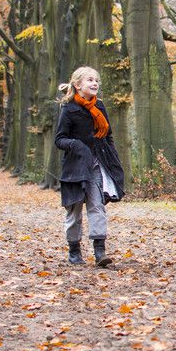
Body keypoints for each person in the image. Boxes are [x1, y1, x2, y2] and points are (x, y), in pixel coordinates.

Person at [55, 66, 125, 267]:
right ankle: (74, 250)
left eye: (96, 80)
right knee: (74, 211)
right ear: (77, 85)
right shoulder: (68, 109)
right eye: (90, 80)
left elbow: (108, 136)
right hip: (74, 168)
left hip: (96, 165)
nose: (95, 83)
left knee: (97, 206)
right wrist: (77, 145)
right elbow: (60, 139)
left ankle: (99, 251)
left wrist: (113, 160)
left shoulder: (100, 107)